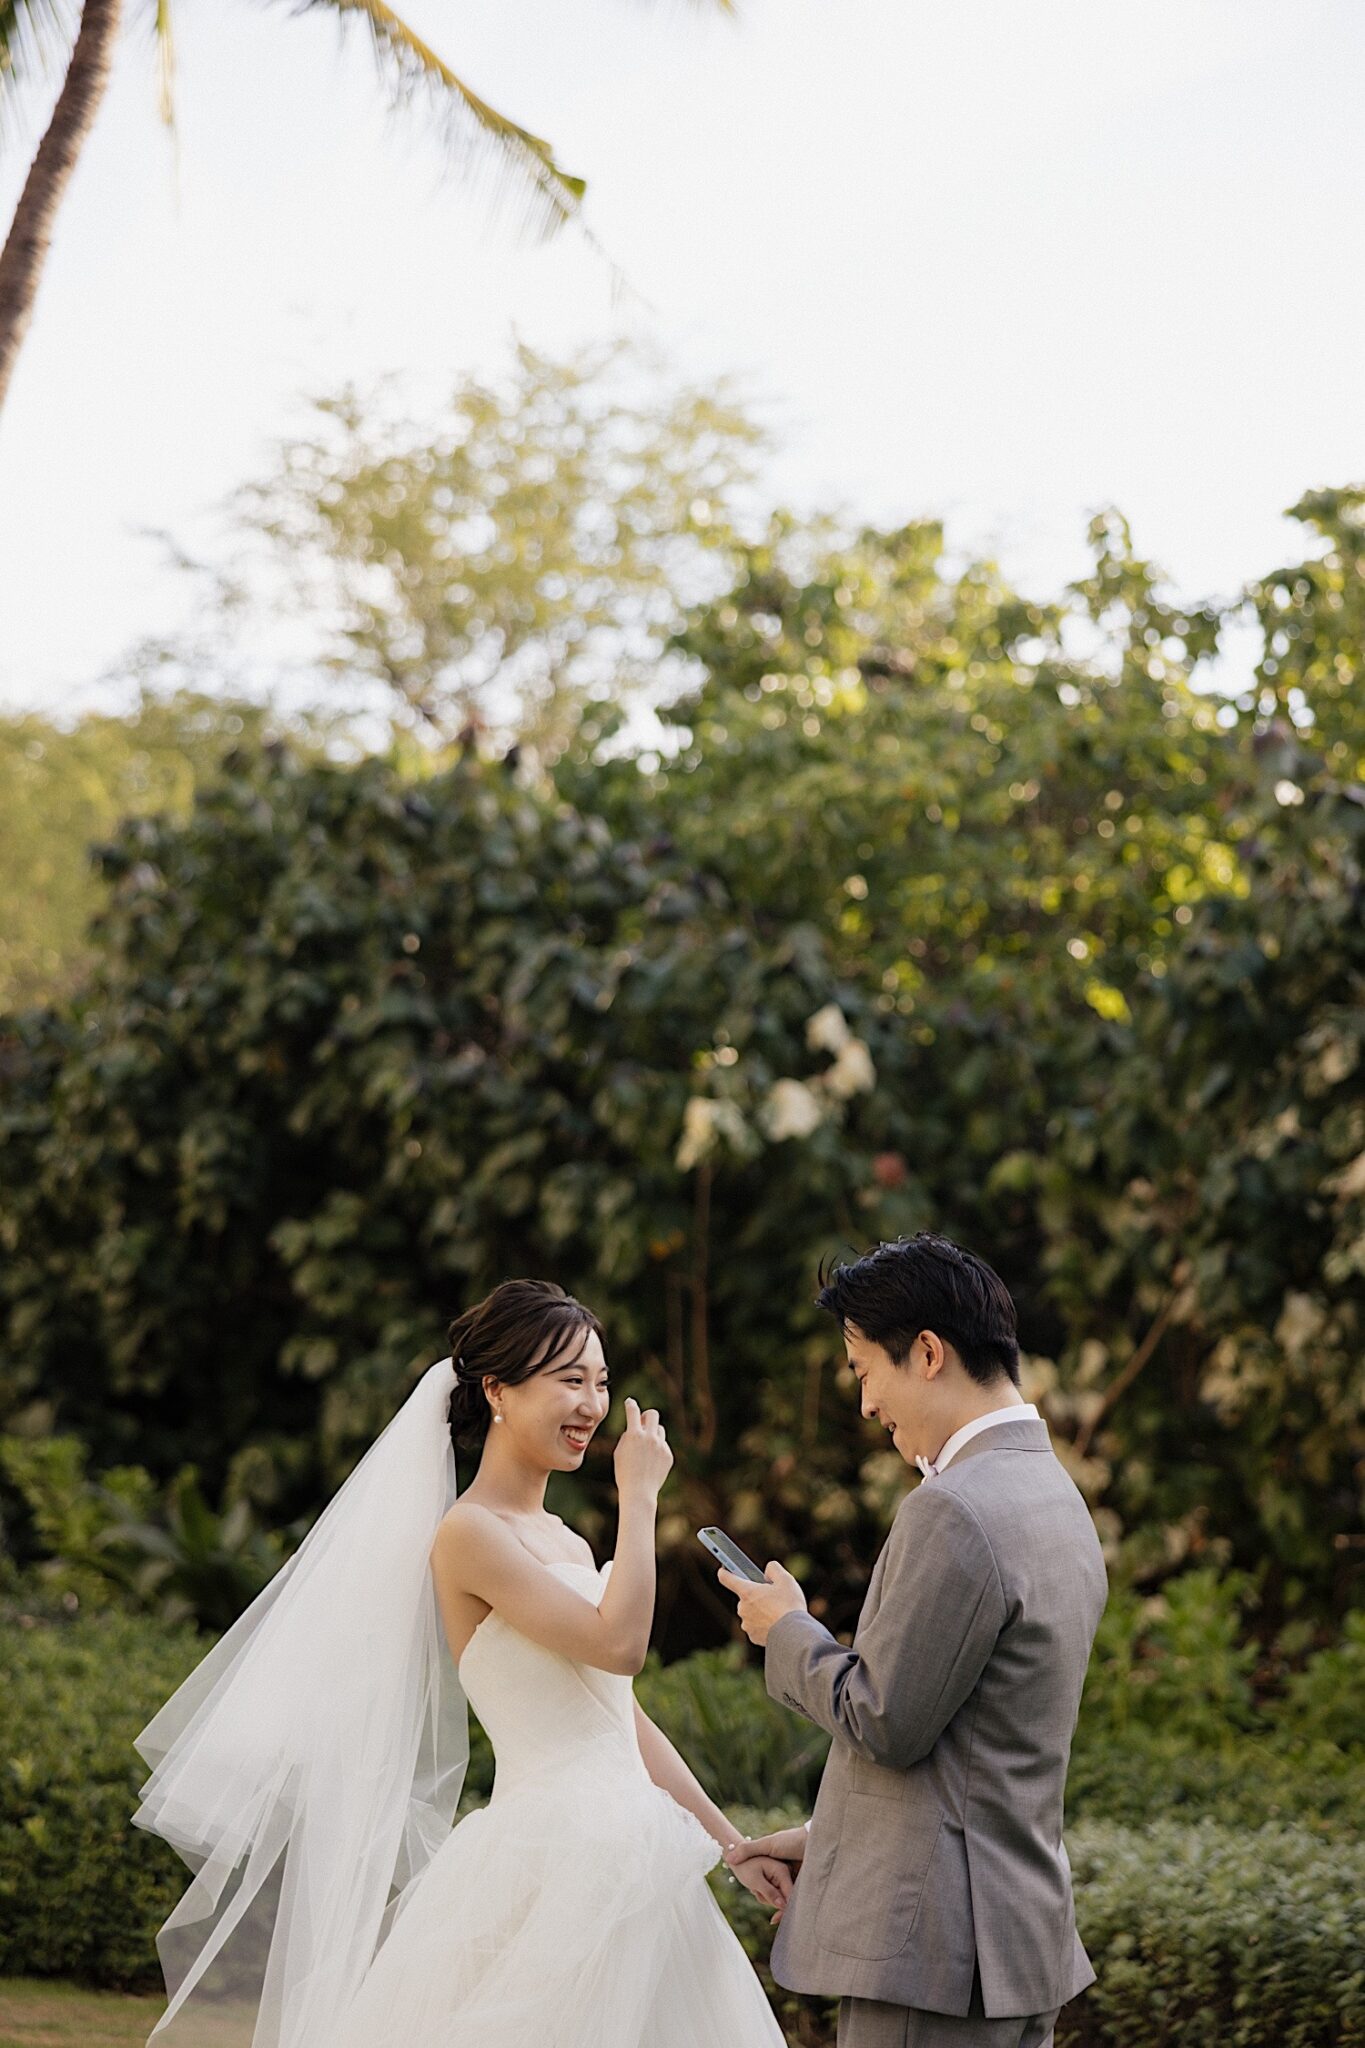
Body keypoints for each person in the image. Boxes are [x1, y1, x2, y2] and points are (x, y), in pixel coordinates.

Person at [132, 1279, 792, 2048]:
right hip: (550, 1861)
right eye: (569, 1380)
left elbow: (621, 1717)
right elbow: (622, 1645)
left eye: (601, 1383)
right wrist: (639, 1500)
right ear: (498, 1391)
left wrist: (732, 1847)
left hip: (635, 1857)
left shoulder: (566, 1542)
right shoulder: (468, 1536)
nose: (592, 1406)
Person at [719, 1232, 1108, 2048]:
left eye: (865, 1372)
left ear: (926, 1353)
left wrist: (784, 1631)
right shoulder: (1053, 1493)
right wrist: (831, 1839)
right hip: (1013, 1942)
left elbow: (885, 1720)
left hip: (935, 1964)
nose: (865, 1404)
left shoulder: (955, 1509)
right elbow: (980, 1747)